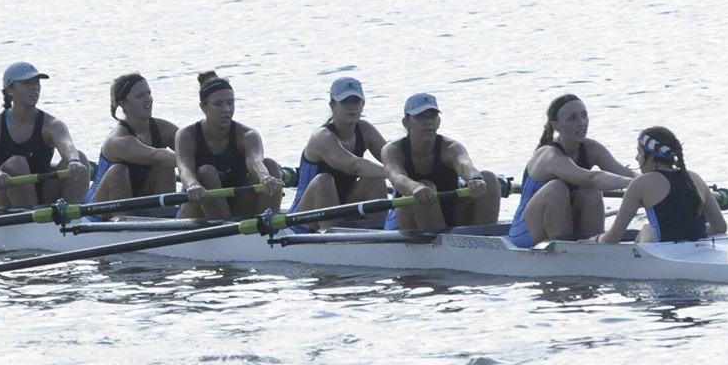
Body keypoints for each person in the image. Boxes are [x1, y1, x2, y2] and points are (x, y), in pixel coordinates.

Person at [508, 93, 637, 246]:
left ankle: (595, 249)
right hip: (526, 231)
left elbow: (625, 172)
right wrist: (632, 185)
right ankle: (565, 252)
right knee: (557, 188)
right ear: (556, 126)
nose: (582, 122)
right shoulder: (550, 155)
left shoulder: (592, 148)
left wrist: (654, 180)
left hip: (562, 224)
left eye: (584, 115)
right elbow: (591, 178)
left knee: (591, 190)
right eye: (572, 118)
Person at [381, 93, 503, 234]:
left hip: (449, 213)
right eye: (420, 117)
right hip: (406, 220)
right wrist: (414, 187)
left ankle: (485, 242)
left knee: (488, 178)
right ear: (406, 122)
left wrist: (474, 178)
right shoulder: (393, 150)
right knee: (426, 186)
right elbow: (397, 177)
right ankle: (437, 248)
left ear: (438, 122)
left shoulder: (451, 147)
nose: (428, 122)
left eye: (432, 116)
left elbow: (465, 164)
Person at [0, 61, 92, 210]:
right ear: (9, 90)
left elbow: (67, 145)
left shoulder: (52, 124)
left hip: (44, 191)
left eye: (37, 83)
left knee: (81, 158)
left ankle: (71, 217)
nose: (34, 88)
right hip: (3, 194)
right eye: (26, 83)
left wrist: (74, 160)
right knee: (16, 164)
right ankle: (31, 221)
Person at [176, 71, 285, 219]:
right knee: (206, 172)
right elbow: (184, 168)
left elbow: (255, 161)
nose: (226, 110)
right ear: (203, 107)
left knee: (271, 165)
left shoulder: (247, 135)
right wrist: (193, 184)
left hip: (239, 205)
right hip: (199, 210)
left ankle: (268, 226)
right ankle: (225, 230)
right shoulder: (187, 135)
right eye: (218, 104)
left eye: (230, 103)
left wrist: (264, 176)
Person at [597, 126, 728, 244]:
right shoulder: (695, 178)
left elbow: (612, 238)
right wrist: (689, 233)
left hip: (662, 256)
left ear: (650, 156)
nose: (637, 158)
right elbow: (720, 227)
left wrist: (596, 239)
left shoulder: (640, 183)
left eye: (639, 152)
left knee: (647, 230)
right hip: (700, 252)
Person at [293, 76, 390, 219]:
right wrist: (397, 175)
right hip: (305, 215)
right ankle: (332, 233)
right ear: (332, 106)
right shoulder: (322, 137)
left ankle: (381, 230)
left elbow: (394, 158)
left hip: (344, 203)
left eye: (356, 101)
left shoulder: (365, 129)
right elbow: (355, 165)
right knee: (323, 180)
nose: (352, 107)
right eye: (345, 102)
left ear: (363, 104)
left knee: (375, 178)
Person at [88, 74, 181, 206]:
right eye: (140, 96)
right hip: (100, 207)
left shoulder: (163, 128)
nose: (148, 99)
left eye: (149, 93)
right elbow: (154, 155)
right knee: (118, 172)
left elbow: (192, 146)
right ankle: (119, 220)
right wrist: (191, 162)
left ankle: (166, 215)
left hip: (137, 197)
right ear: (123, 104)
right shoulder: (118, 140)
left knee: (164, 165)